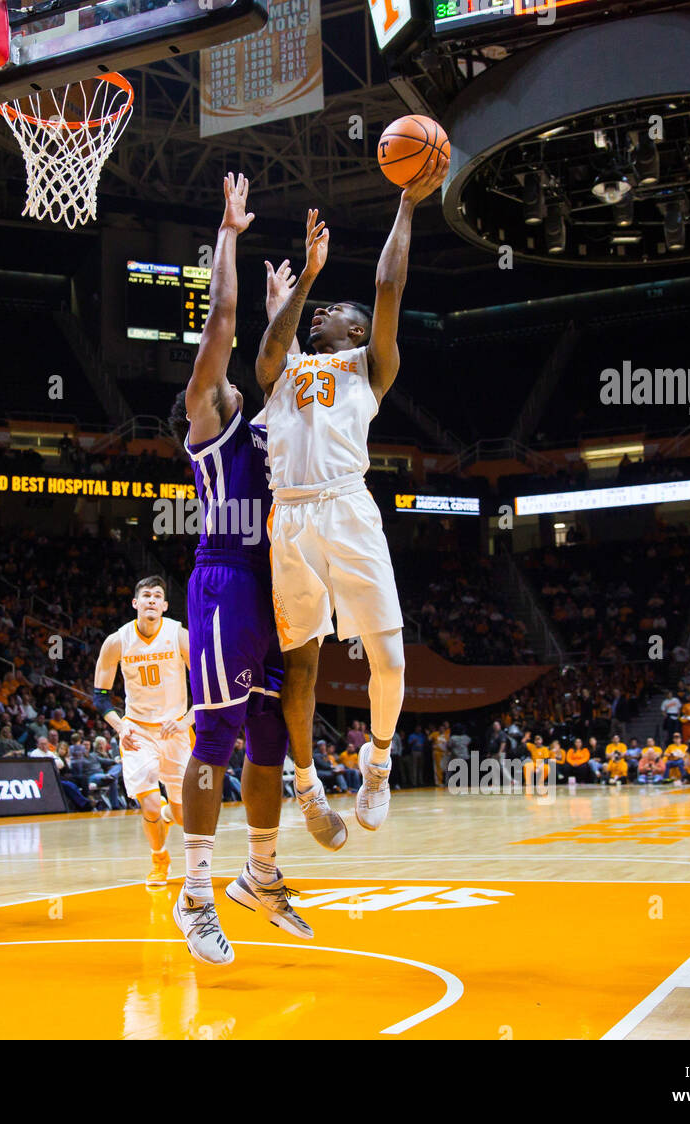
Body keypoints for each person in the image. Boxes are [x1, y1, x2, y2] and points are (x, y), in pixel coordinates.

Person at [163, 174, 334, 965]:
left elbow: (275, 361)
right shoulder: (210, 415)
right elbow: (222, 333)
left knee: (268, 734)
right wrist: (226, 235)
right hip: (226, 579)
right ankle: (193, 895)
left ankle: (260, 874)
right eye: (219, 378)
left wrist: (286, 309)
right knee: (218, 737)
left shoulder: (263, 418)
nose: (228, 378)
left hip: (276, 581)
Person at [253, 151, 448, 834]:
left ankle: (379, 761)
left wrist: (406, 204)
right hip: (291, 521)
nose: (321, 317)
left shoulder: (368, 365)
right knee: (299, 668)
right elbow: (266, 357)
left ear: (356, 332)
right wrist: (305, 281)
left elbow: (387, 289)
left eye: (333, 310)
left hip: (348, 507)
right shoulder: (287, 368)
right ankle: (306, 786)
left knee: (390, 658)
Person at [93, 575, 192, 891]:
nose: (151, 600)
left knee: (181, 816)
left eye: (157, 595)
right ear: (135, 603)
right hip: (136, 731)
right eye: (145, 595)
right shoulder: (117, 641)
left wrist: (186, 721)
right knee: (147, 804)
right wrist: (120, 726)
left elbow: (205, 687)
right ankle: (159, 858)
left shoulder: (179, 635)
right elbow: (100, 696)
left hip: (174, 730)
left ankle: (168, 812)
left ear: (164, 605)